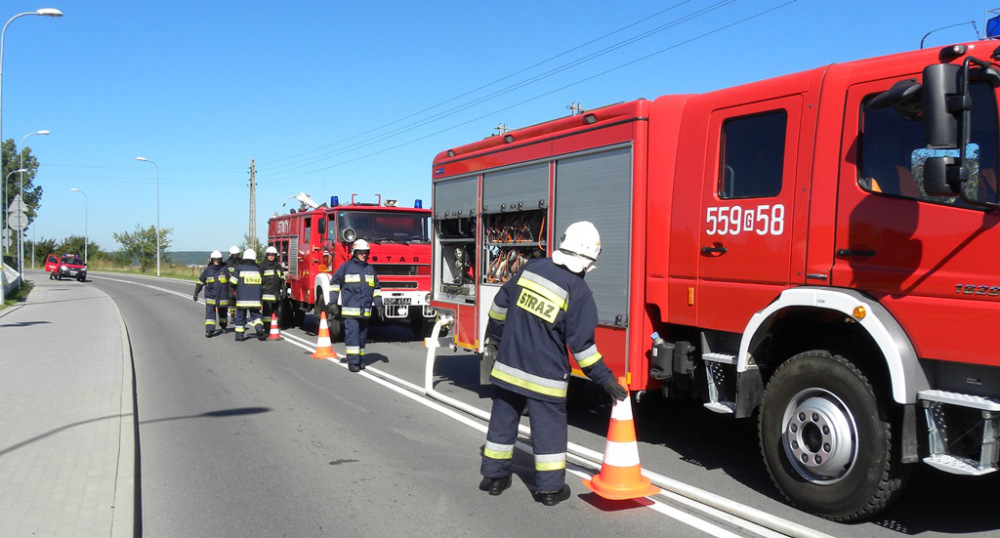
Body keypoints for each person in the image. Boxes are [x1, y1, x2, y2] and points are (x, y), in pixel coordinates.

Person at [479, 221, 627, 507]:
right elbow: (582, 349)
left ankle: (494, 479)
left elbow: (499, 306)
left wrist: (495, 340)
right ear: (588, 260)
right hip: (544, 377)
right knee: (549, 430)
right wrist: (605, 380)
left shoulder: (530, 269)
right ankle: (549, 490)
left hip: (508, 365)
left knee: (502, 422)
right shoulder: (579, 291)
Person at [329, 239, 384, 372]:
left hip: (365, 312)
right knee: (352, 336)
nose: (363, 255)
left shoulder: (370, 269)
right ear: (355, 252)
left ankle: (359, 359)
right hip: (351, 312)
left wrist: (379, 305)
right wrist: (333, 302)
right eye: (360, 252)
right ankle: (353, 362)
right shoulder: (346, 267)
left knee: (362, 337)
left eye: (365, 252)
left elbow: (376, 289)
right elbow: (335, 284)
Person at [192, 250, 230, 337]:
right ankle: (209, 330)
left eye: (218, 259)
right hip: (210, 297)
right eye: (215, 259)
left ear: (220, 259)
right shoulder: (207, 270)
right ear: (212, 260)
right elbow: (200, 282)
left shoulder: (225, 270)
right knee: (210, 315)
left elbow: (231, 282)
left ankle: (223, 326)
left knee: (223, 314)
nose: (216, 260)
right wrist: (196, 293)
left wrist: (232, 293)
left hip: (222, 297)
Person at [231, 249, 265, 342]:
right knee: (256, 315)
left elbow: (232, 282)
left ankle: (239, 337)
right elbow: (264, 283)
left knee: (240, 318)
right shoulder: (259, 269)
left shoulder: (239, 268)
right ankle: (258, 328)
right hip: (256, 299)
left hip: (242, 299)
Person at [260, 245, 285, 333]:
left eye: (273, 255)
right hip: (266, 293)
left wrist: (284, 289)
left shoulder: (278, 266)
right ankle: (266, 329)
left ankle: (274, 327)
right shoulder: (262, 266)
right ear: (266, 255)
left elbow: (281, 278)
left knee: (276, 313)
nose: (271, 256)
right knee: (267, 314)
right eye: (269, 255)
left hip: (276, 293)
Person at [224, 245, 242, 324]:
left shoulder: (242, 262)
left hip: (240, 285)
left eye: (236, 254)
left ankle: (240, 316)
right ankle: (233, 316)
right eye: (234, 254)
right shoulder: (226, 263)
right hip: (230, 285)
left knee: (240, 301)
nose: (235, 256)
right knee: (231, 301)